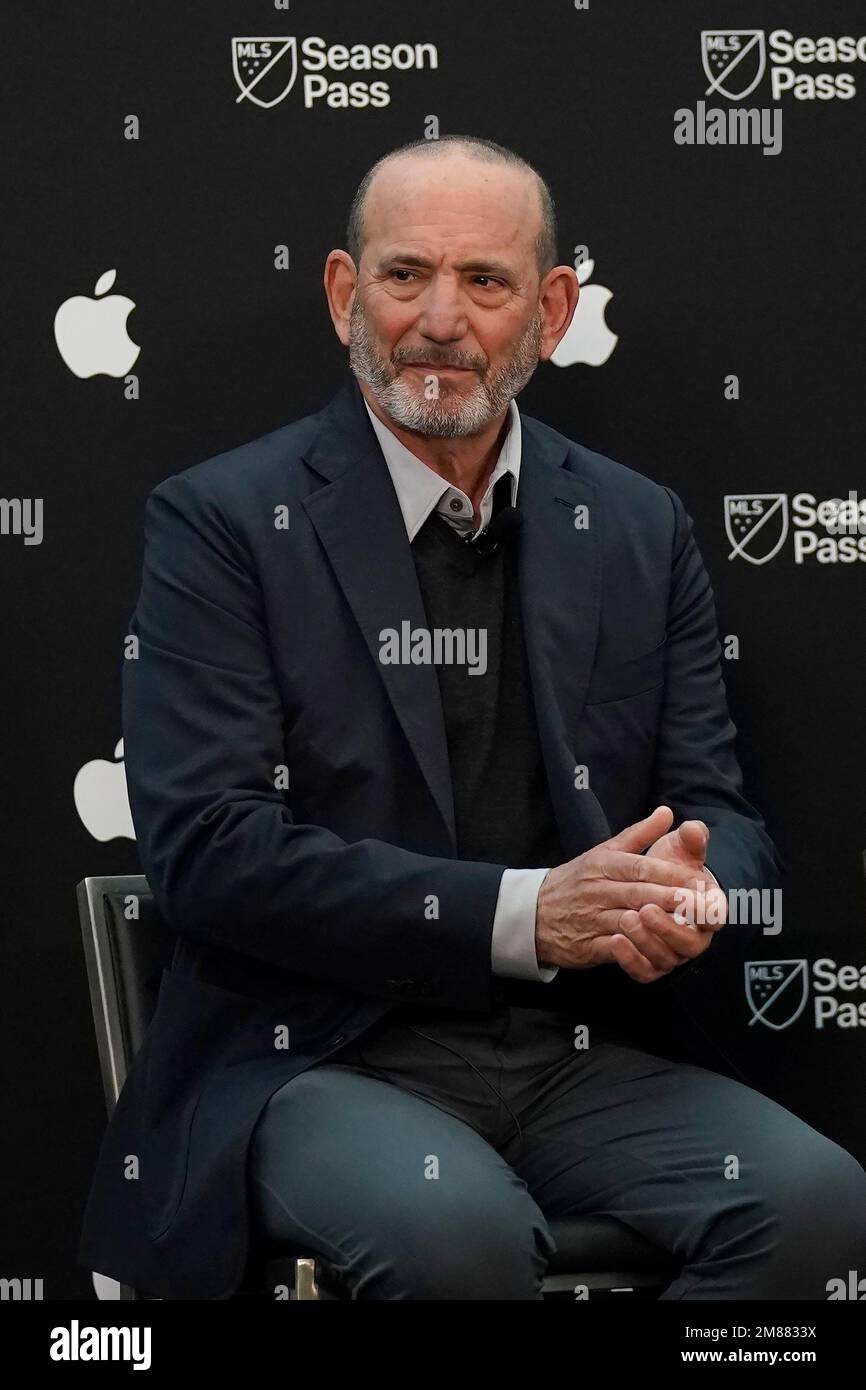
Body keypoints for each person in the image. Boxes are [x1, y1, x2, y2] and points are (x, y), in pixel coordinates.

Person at [78, 135, 866, 1300]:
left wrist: (684, 892)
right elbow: (208, 855)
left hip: (575, 1056)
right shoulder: (224, 522)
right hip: (315, 1059)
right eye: (405, 276)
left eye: (484, 283)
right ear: (347, 292)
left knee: (816, 1203)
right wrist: (524, 913)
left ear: (549, 309)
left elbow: (715, 812)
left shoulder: (637, 526)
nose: (439, 320)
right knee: (458, 1237)